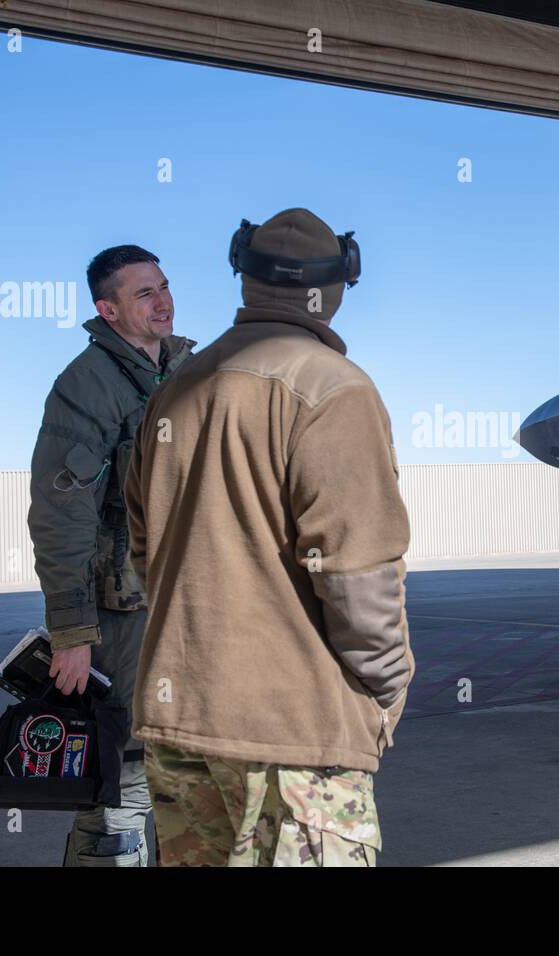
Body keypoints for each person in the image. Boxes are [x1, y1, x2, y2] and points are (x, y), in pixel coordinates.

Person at [124, 208, 413, 867]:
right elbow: (359, 582)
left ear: (244, 280)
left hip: (182, 729)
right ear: (339, 286)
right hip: (295, 739)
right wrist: (382, 699)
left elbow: (149, 555)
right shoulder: (335, 391)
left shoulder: (172, 396)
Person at [28, 245, 195, 866]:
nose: (163, 301)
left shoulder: (193, 373)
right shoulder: (84, 387)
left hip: (197, 611)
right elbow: (60, 515)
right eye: (144, 293)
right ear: (108, 308)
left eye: (164, 286)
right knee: (122, 791)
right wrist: (72, 630)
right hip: (125, 618)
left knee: (193, 778)